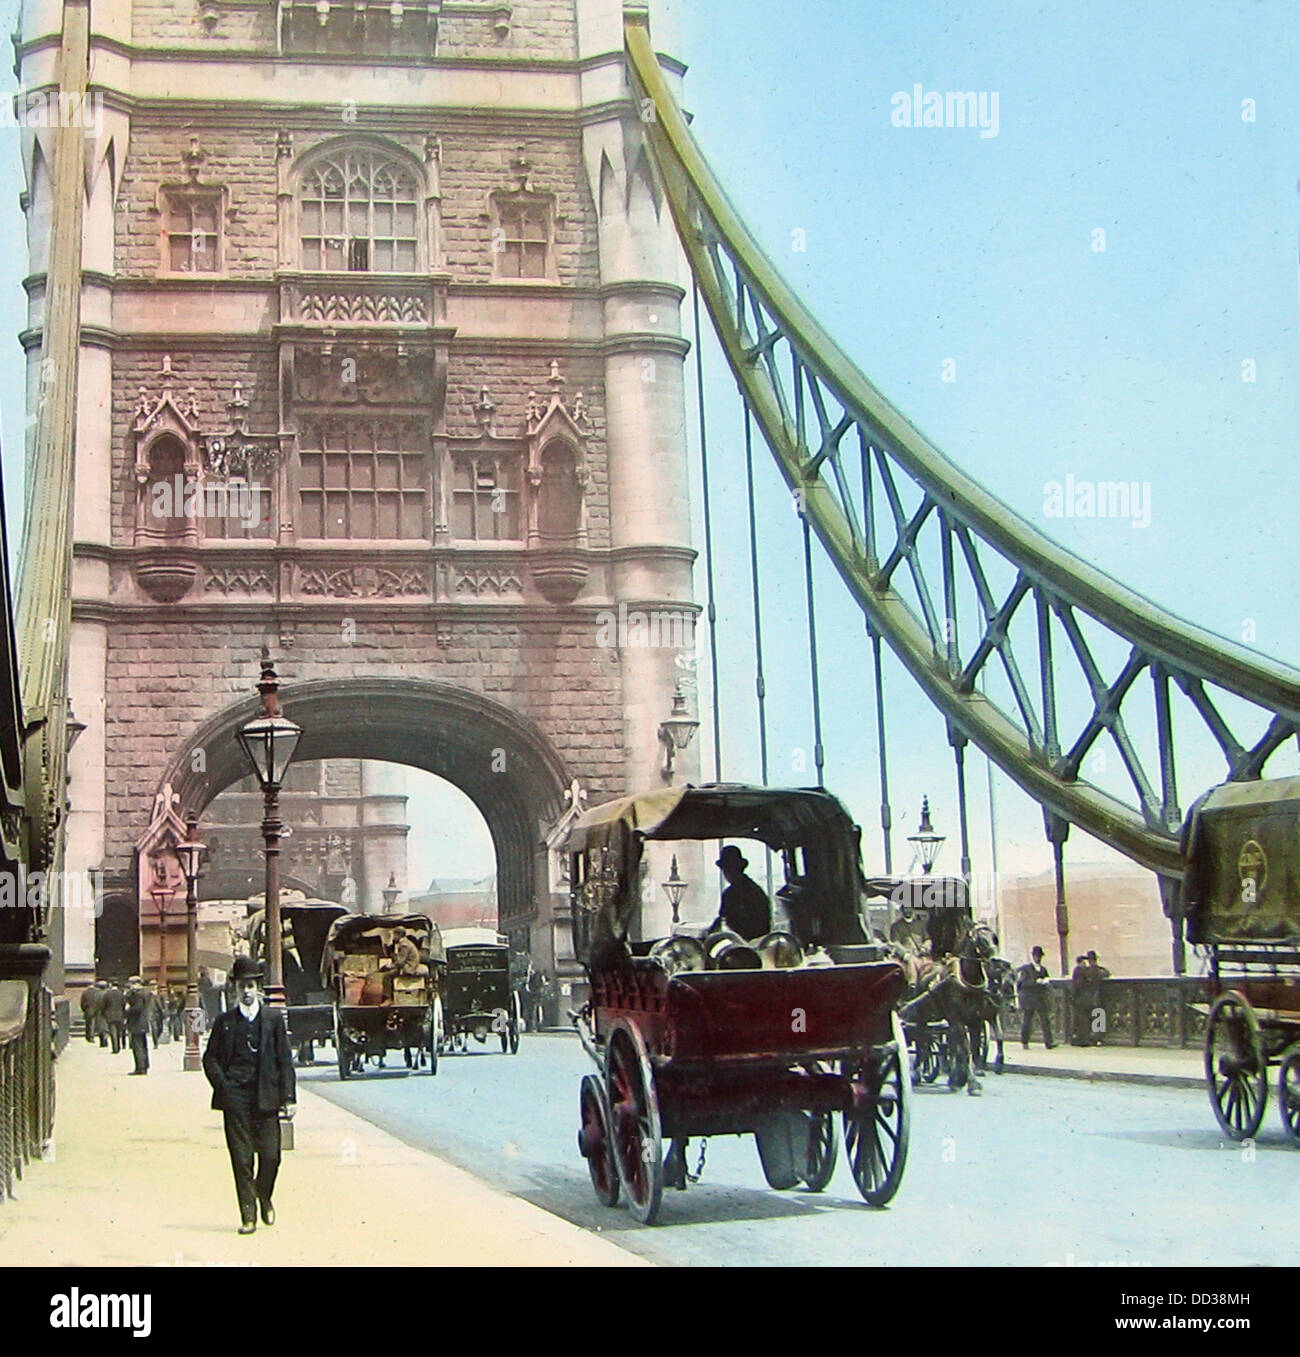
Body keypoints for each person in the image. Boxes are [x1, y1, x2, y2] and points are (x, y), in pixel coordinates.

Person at [203, 955, 296, 1234]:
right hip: (236, 1100)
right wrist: (224, 1086)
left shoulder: (272, 1019)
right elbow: (211, 1059)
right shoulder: (225, 1022)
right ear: (235, 988)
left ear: (258, 987)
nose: (246, 991)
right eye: (241, 986)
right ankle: (248, 1216)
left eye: (251, 985)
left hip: (267, 1098)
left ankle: (264, 1194)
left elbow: (284, 1060)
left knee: (271, 1156)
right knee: (242, 1158)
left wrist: (289, 1097)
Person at [709, 846, 772, 940]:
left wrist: (709, 934)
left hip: (741, 942)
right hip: (759, 941)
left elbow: (722, 920)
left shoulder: (730, 894)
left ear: (727, 871)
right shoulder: (756, 890)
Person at [1015, 946, 1055, 1050]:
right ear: (1033, 956)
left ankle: (1049, 1042)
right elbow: (1023, 983)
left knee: (1045, 1020)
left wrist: (1046, 981)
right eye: (1036, 956)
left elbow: (1047, 979)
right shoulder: (1026, 969)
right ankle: (1024, 1041)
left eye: (1040, 956)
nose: (1038, 958)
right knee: (1027, 1021)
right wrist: (1036, 982)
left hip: (1040, 998)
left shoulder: (1043, 969)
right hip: (1029, 999)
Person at [124, 976, 153, 1074]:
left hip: (136, 1023)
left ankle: (140, 1068)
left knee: (137, 1046)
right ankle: (144, 1065)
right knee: (143, 1045)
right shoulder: (145, 993)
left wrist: (127, 1011)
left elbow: (137, 1009)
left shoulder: (136, 995)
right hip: (143, 1022)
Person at [1070, 954, 1090, 1046]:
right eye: (1084, 962)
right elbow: (1078, 985)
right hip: (1081, 998)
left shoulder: (1077, 970)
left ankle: (1076, 1039)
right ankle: (1082, 1040)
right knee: (1081, 1020)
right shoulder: (1080, 971)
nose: (1085, 964)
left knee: (1078, 1019)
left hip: (1078, 998)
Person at [102, 979, 126, 1054]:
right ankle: (119, 1045)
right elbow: (123, 1004)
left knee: (113, 1032)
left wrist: (104, 1014)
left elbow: (104, 1005)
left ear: (111, 985)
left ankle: (115, 1048)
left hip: (110, 1015)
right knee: (119, 1032)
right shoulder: (121, 994)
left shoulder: (107, 994)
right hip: (120, 1015)